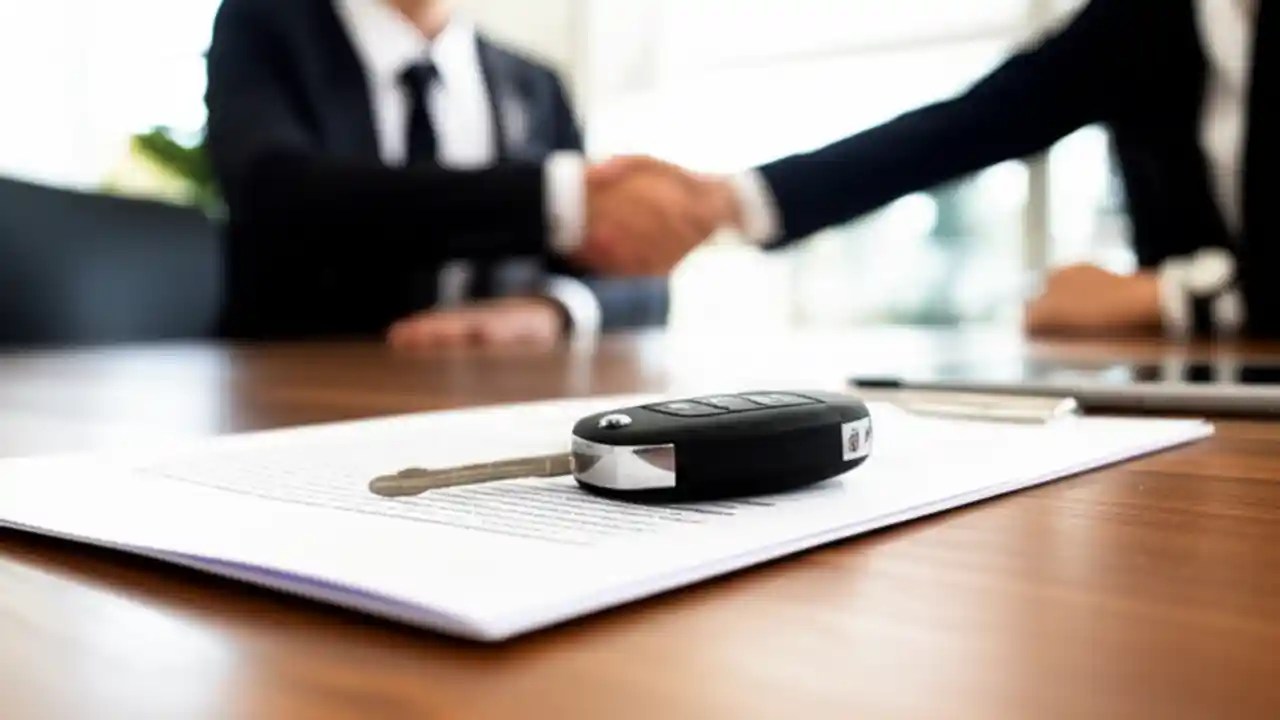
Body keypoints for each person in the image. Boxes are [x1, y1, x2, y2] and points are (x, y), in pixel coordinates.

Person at [597, 0, 1275, 338]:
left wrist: (1168, 297)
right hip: (1199, 389)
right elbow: (969, 125)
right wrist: (730, 202)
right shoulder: (1146, 17)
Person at [205, 0, 722, 348]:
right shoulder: (262, 29)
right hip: (297, 390)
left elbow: (638, 283)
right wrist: (556, 200)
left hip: (485, 403)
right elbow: (274, 192)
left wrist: (555, 307)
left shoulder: (536, 85)